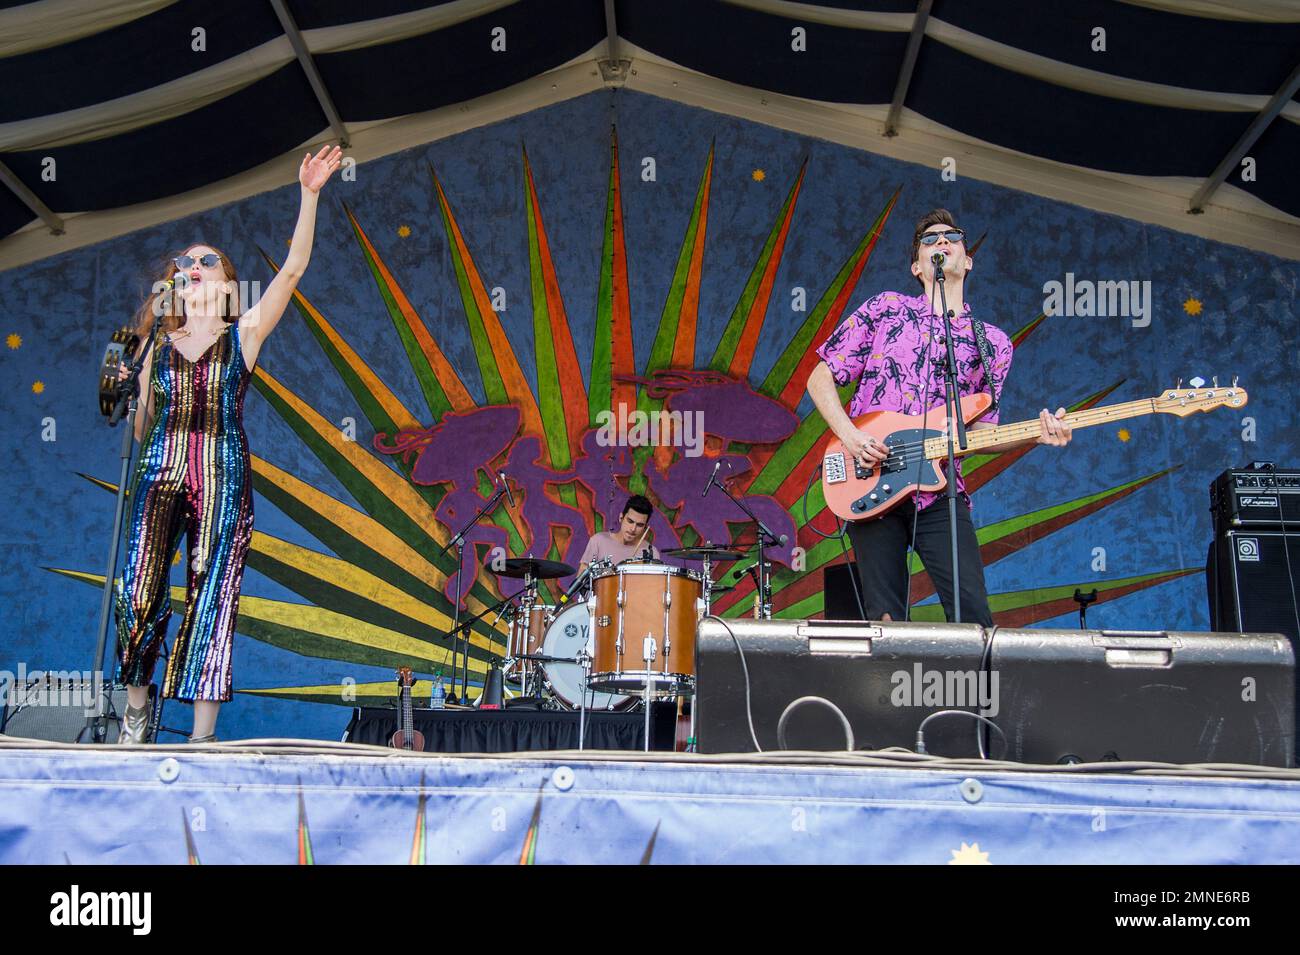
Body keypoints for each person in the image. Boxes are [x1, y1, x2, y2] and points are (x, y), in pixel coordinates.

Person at [113, 146, 343, 743]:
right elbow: (139, 426)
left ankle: (201, 736)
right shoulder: (154, 347)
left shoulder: (245, 331)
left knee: (211, 590)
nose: (193, 265)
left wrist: (309, 195)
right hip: (159, 465)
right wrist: (121, 389)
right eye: (185, 262)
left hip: (221, 468)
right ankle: (136, 717)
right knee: (138, 587)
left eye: (206, 260)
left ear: (226, 282)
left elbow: (293, 268)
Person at [805, 209, 1072, 626]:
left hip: (941, 491)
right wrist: (852, 438)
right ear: (917, 266)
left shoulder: (994, 344)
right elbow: (820, 379)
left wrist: (1035, 435)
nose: (942, 243)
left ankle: (972, 691)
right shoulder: (886, 308)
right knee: (885, 621)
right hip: (870, 476)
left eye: (953, 237)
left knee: (975, 620)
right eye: (930, 240)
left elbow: (982, 431)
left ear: (967, 260)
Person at [576, 494, 660, 575]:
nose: (633, 529)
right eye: (630, 521)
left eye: (639, 525)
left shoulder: (651, 553)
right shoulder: (598, 541)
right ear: (621, 518)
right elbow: (580, 581)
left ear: (645, 528)